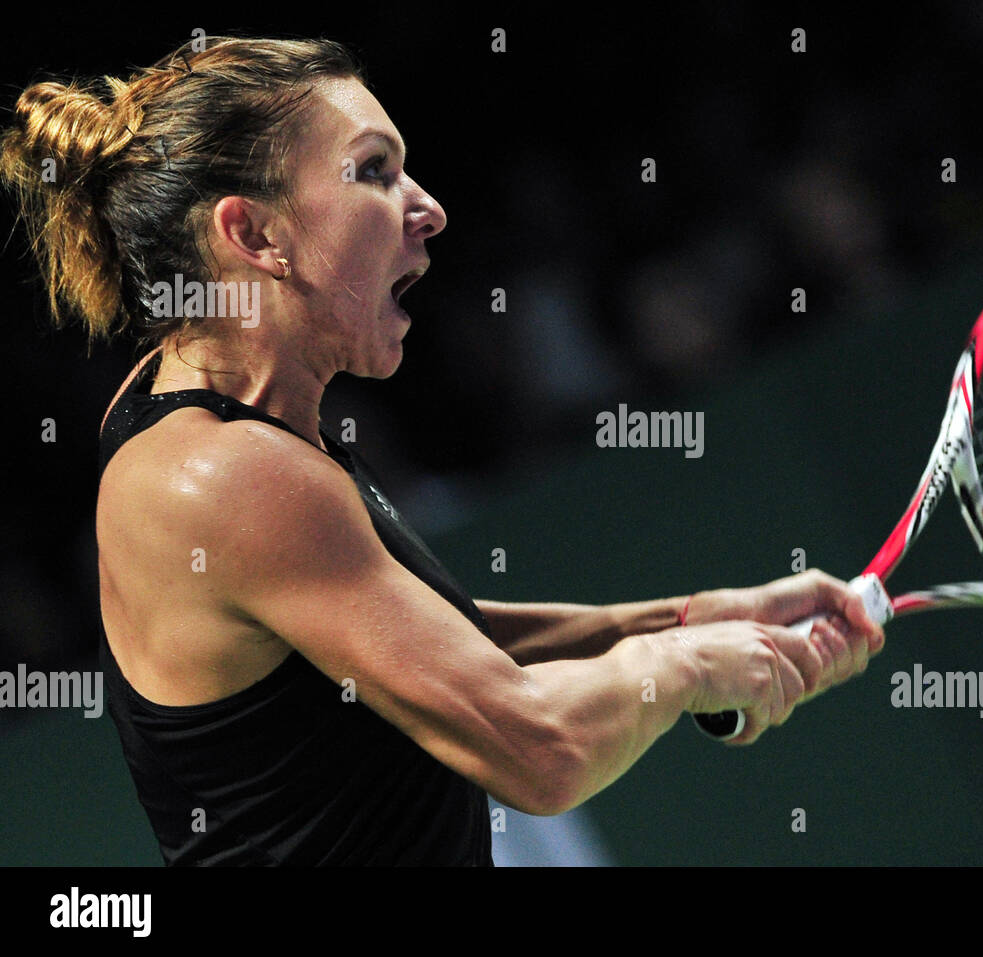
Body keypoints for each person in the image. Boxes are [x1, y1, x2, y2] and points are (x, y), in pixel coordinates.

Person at [0, 36, 885, 865]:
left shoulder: (222, 415)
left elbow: (435, 643)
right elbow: (542, 749)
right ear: (256, 235)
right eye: (375, 171)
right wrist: (686, 666)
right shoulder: (227, 475)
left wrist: (693, 618)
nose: (429, 208)